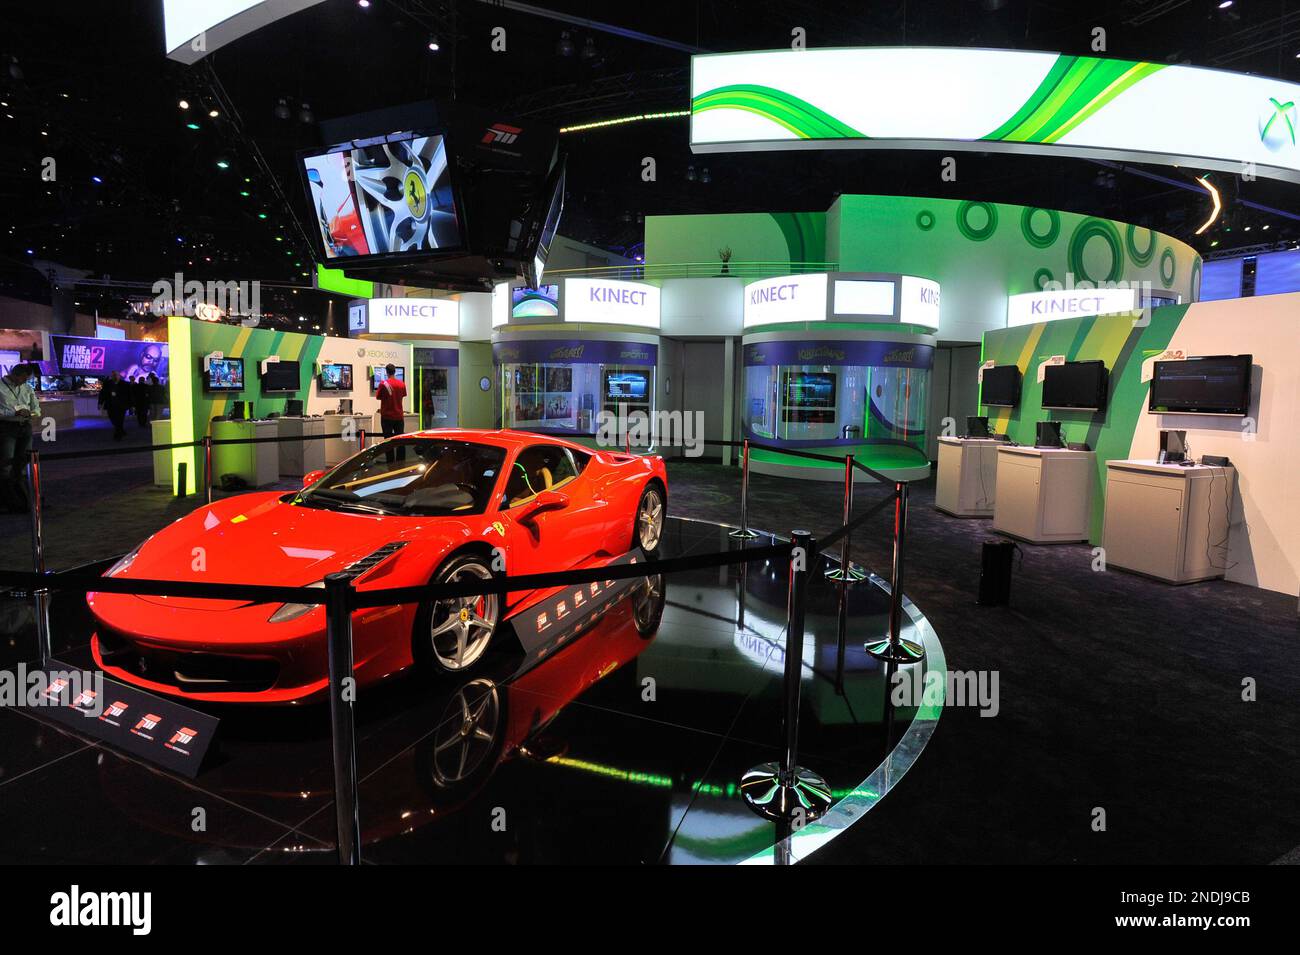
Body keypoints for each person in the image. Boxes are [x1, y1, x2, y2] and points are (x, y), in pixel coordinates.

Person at [0, 362, 40, 512]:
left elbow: (37, 409)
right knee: (6, 464)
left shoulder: (27, 388)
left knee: (23, 463)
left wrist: (31, 413)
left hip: (25, 427)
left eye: (26, 379)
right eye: (23, 378)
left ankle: (23, 499)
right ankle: (8, 500)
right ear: (14, 375)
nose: (24, 382)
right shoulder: (1, 387)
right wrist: (13, 413)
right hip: (6, 428)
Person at [377, 364, 407, 462]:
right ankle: (401, 463)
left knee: (388, 441)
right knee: (400, 441)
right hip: (399, 417)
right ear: (395, 371)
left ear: (386, 372)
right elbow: (403, 395)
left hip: (387, 417)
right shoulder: (401, 384)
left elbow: (378, 397)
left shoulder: (383, 384)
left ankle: (390, 463)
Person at [98, 370, 131, 440]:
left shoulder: (125, 384)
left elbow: (130, 395)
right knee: (112, 419)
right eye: (113, 375)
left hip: (121, 406)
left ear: (119, 376)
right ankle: (120, 430)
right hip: (110, 405)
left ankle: (118, 435)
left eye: (116, 375)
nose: (115, 376)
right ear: (111, 376)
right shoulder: (107, 384)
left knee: (120, 420)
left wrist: (131, 405)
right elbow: (103, 394)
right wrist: (100, 403)